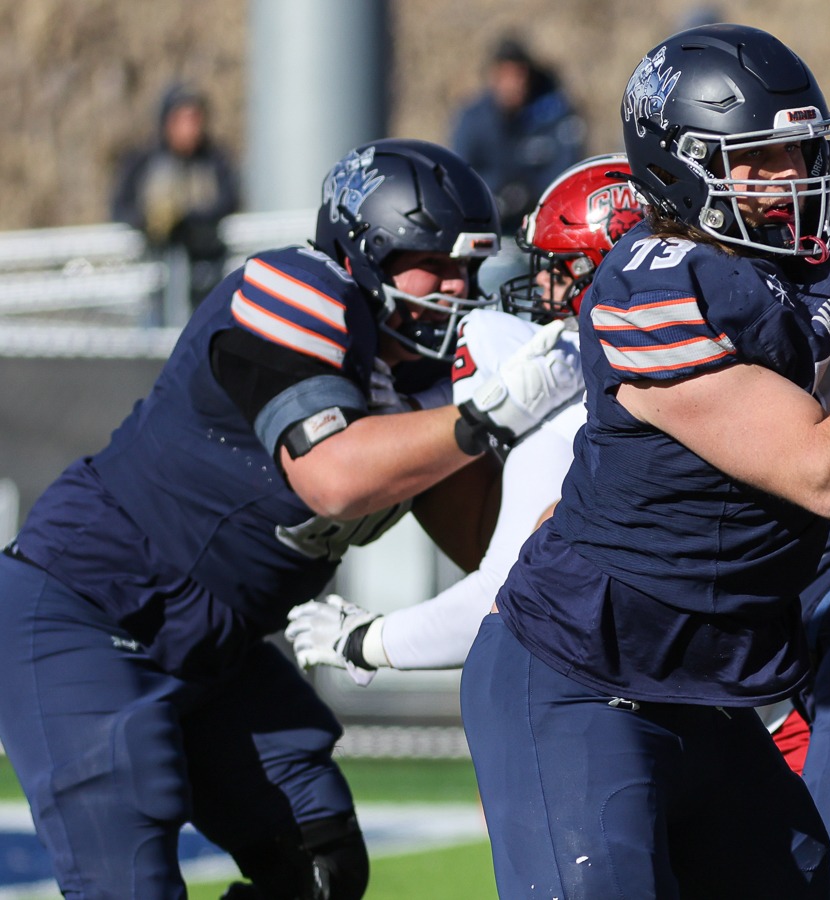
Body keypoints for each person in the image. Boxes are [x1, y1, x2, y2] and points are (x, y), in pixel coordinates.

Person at [457, 23, 830, 899]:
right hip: (580, 681)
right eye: (758, 161)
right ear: (675, 166)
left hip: (711, 693)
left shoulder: (810, 250)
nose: (790, 179)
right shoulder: (657, 280)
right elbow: (827, 476)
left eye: (801, 151)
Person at [0, 138, 579, 899]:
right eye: (435, 265)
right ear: (365, 253)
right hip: (87, 605)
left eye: (469, 268)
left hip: (220, 642)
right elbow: (333, 478)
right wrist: (488, 418)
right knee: (126, 879)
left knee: (318, 864)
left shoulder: (435, 378)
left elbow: (485, 545)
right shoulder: (292, 286)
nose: (458, 288)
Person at [285, 153, 637, 681]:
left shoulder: (571, 401)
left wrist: (364, 640)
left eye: (560, 272)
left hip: (615, 682)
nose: (539, 291)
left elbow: (510, 590)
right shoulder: (711, 374)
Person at [110, 83, 241, 315]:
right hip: (152, 278)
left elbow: (229, 203)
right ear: (167, 122)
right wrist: (151, 222)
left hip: (205, 275)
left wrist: (188, 220)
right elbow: (120, 207)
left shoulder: (215, 160)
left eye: (195, 119)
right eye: (183, 119)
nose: (190, 128)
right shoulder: (144, 161)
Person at [451, 36, 588, 234]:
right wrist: (495, 198)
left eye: (518, 75)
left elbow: (567, 172)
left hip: (543, 224)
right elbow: (461, 174)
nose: (512, 84)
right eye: (504, 76)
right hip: (488, 226)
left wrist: (529, 195)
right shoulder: (472, 118)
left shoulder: (554, 113)